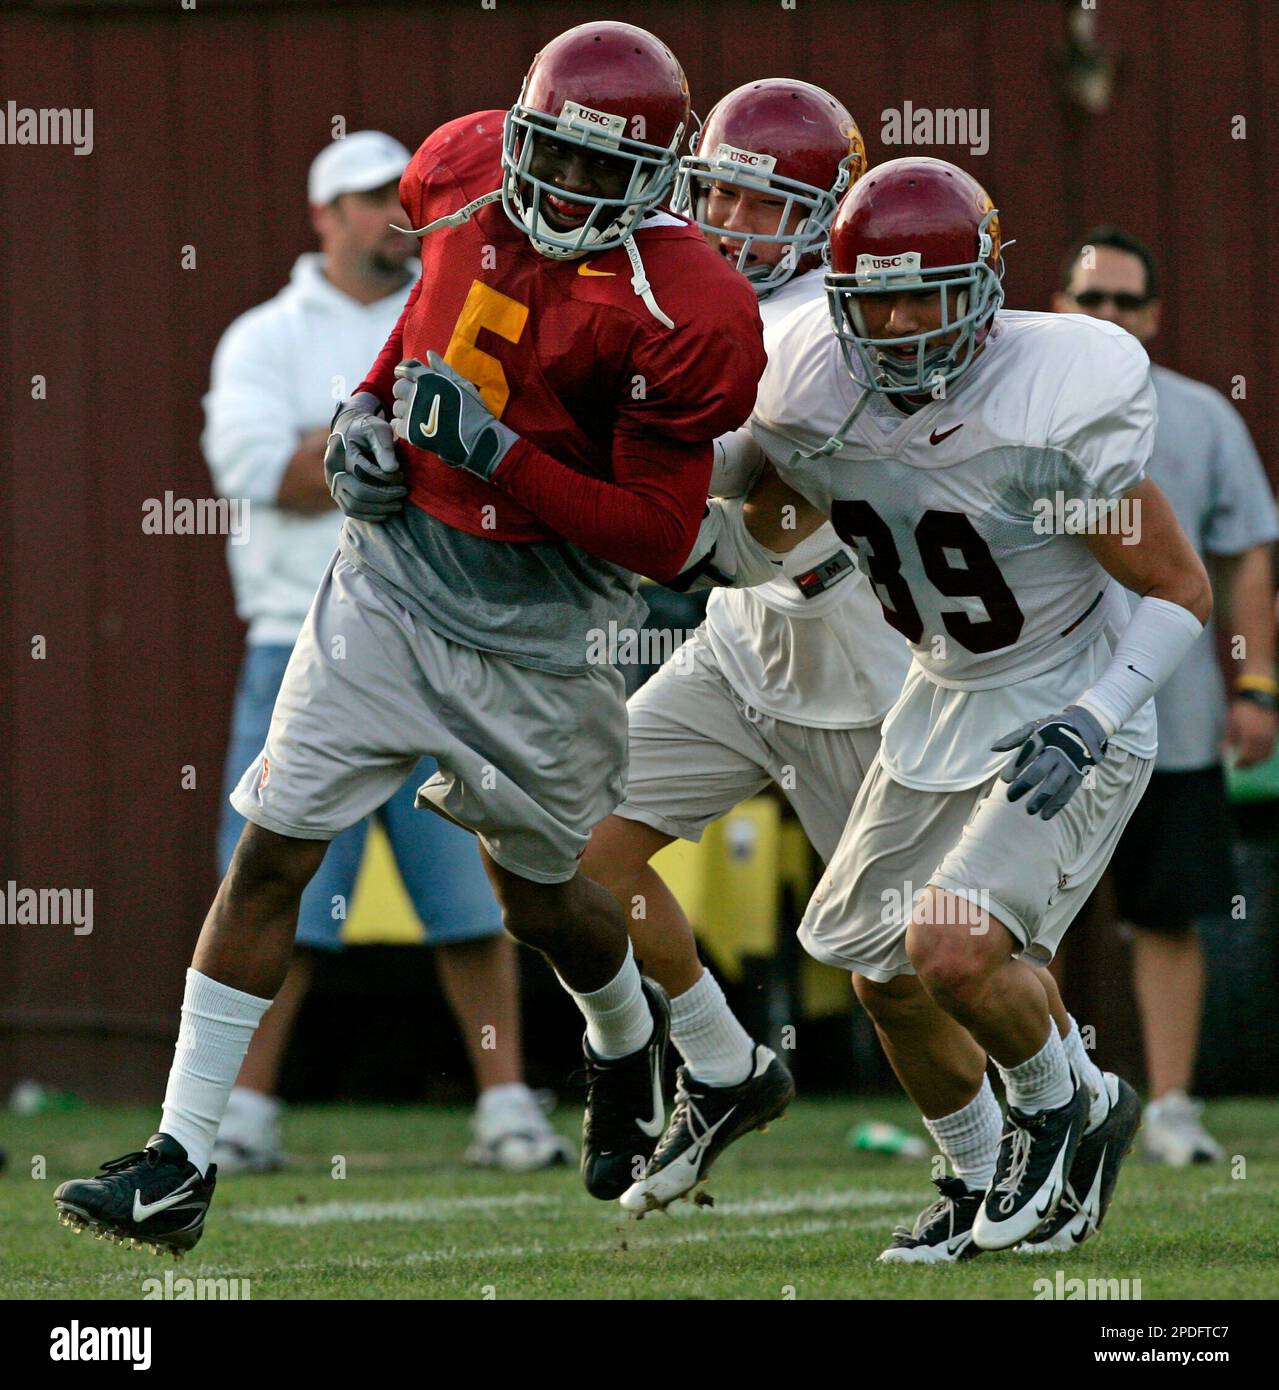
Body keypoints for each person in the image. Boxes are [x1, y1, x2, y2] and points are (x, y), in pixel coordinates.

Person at [53, 20, 765, 1256]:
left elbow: (657, 535)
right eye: (559, 155)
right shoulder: (460, 167)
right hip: (386, 586)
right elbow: (428, 312)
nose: (570, 189)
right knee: (271, 854)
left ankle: (624, 1039)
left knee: (543, 900)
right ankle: (179, 1158)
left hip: (542, 632)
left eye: (610, 171)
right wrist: (363, 410)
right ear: (521, 131)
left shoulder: (681, 303)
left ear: (658, 181)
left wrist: (501, 456)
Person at [691, 157, 1210, 1259]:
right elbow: (748, 529)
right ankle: (979, 1182)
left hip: (1065, 695)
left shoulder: (1051, 393)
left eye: (925, 291)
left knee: (952, 946)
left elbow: (1180, 591)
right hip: (943, 688)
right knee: (877, 967)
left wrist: (1093, 718)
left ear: (983, 286)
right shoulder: (809, 388)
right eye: (874, 296)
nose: (898, 321)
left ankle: (1066, 1104)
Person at [201, 131, 570, 1177]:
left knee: (472, 894)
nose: (390, 217)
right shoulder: (262, 337)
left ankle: (505, 1104)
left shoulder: (467, 307)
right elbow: (262, 472)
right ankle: (240, 1113)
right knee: (275, 882)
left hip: (448, 628)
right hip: (302, 638)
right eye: (365, 200)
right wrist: (393, 433)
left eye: (399, 197)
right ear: (322, 216)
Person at [581, 79, 911, 1213]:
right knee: (576, 845)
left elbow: (737, 484)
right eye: (714, 186)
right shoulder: (707, 289)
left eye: (760, 200)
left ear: (825, 219)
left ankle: (1020, 1132)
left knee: (908, 964)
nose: (725, 216)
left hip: (851, 652)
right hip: (743, 635)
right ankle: (722, 1064)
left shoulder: (824, 324)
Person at [1053, 226, 1279, 1164]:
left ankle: (1174, 1104)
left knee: (1168, 912)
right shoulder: (1015, 410)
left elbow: (1247, 552)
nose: (1106, 315)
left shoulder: (1198, 416)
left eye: (1124, 301)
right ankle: (1039, 1102)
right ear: (1059, 308)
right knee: (1025, 917)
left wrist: (1257, 684)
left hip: (1171, 718)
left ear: (1151, 315)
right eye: (1089, 299)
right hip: (1039, 711)